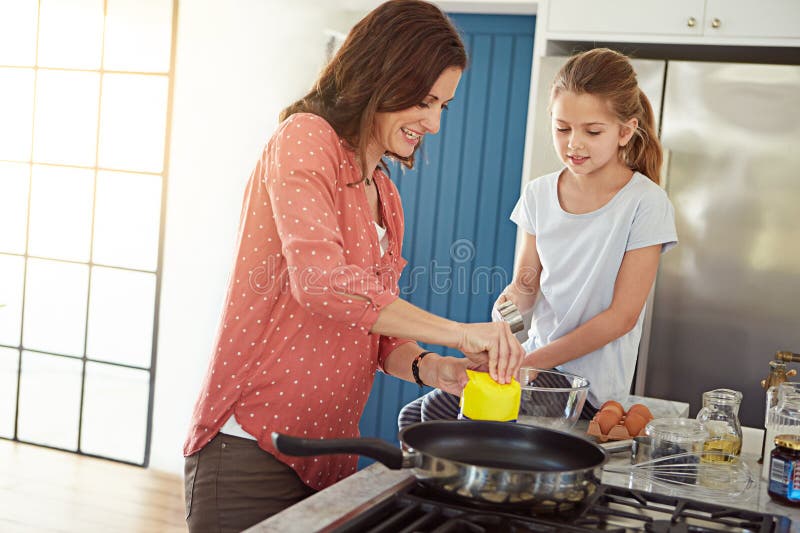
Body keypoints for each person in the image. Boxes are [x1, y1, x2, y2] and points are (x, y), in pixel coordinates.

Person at [182, 1, 525, 531]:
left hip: (329, 458)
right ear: (380, 77)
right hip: (251, 446)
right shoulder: (304, 137)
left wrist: (436, 368)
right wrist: (460, 332)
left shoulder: (385, 193)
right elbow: (322, 285)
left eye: (444, 107)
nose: (433, 123)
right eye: (424, 101)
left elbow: (375, 334)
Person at [399, 47, 677, 429]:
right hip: (532, 367)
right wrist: (502, 333)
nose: (574, 144)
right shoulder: (539, 194)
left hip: (584, 388)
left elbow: (621, 318)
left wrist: (529, 363)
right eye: (562, 128)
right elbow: (525, 287)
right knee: (415, 416)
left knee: (436, 420)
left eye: (592, 131)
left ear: (625, 131)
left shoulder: (645, 203)